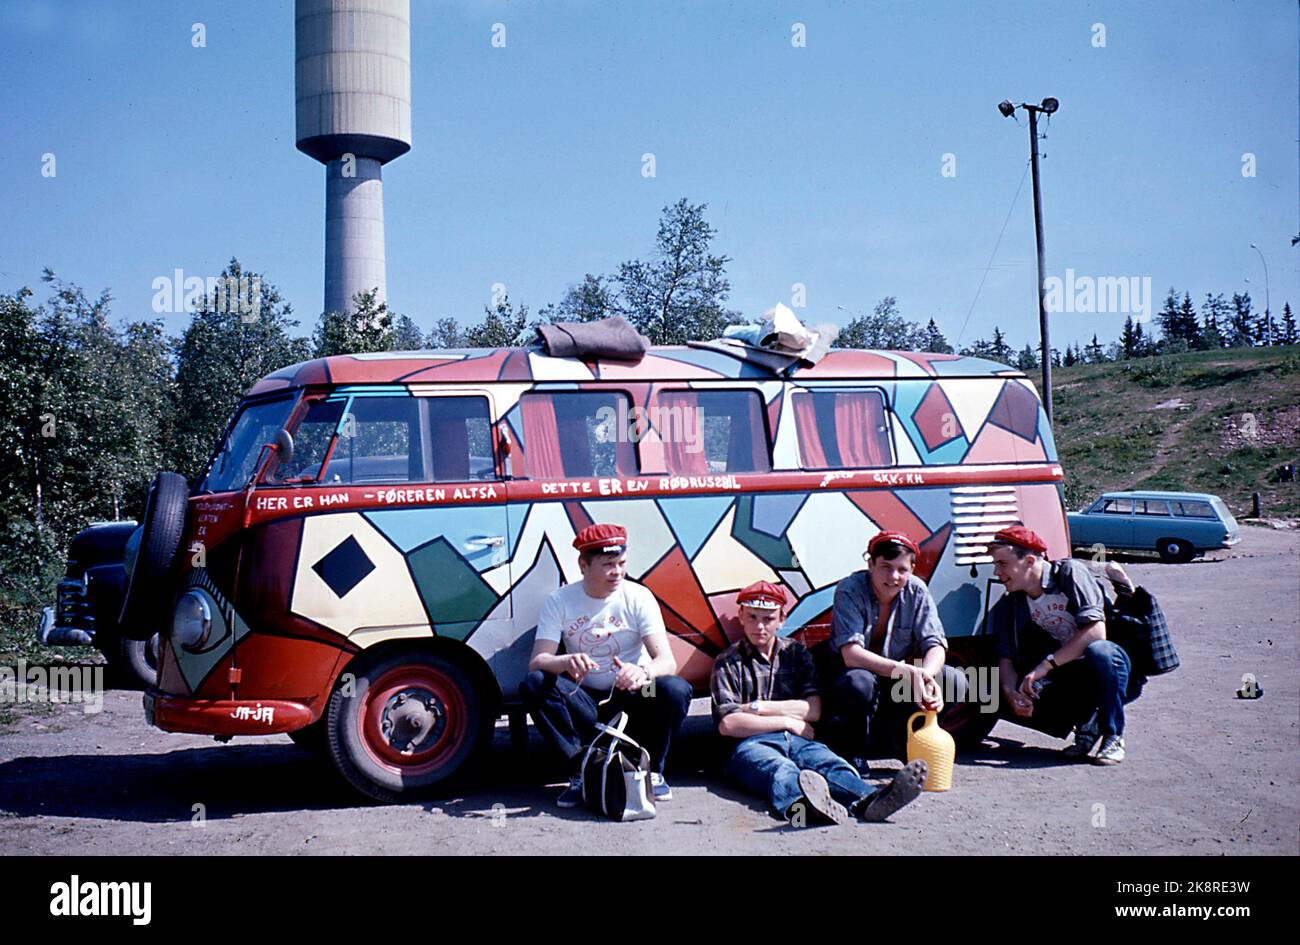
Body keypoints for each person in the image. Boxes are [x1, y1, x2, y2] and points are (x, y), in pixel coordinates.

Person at [710, 580, 928, 825]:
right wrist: (788, 721)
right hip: (750, 744)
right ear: (741, 616)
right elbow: (729, 724)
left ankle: (871, 800)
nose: (759, 626)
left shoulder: (796, 654)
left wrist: (757, 708)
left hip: (800, 739)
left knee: (829, 763)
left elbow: (813, 710)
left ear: (782, 619)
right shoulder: (728, 661)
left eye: (768, 619)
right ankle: (806, 805)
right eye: (752, 617)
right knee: (778, 769)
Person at [520, 523, 692, 806]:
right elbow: (537, 661)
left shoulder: (637, 596)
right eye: (608, 564)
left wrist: (641, 671)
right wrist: (565, 661)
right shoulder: (560, 601)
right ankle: (579, 772)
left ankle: (653, 771)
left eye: (622, 563)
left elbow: (667, 662)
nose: (618, 572)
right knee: (535, 684)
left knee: (674, 689)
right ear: (583, 566)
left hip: (634, 695)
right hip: (583, 698)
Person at [988, 525, 1145, 765]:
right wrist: (1011, 693)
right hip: (1069, 672)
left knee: (1098, 652)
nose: (997, 571)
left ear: (1029, 560)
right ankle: (1086, 725)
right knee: (1018, 683)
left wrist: (1045, 666)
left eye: (1002, 563)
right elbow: (1005, 656)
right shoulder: (1012, 603)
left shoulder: (1070, 573)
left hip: (1114, 666)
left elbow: (1096, 633)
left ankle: (1113, 736)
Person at [829, 531, 968, 766]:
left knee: (956, 681)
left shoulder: (917, 590)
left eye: (902, 569)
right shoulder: (849, 589)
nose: (893, 576)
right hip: (854, 675)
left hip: (899, 678)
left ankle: (905, 744)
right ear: (870, 563)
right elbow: (851, 654)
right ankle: (853, 751)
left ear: (912, 569)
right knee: (857, 683)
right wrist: (906, 672)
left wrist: (926, 675)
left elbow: (935, 643)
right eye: (885, 567)